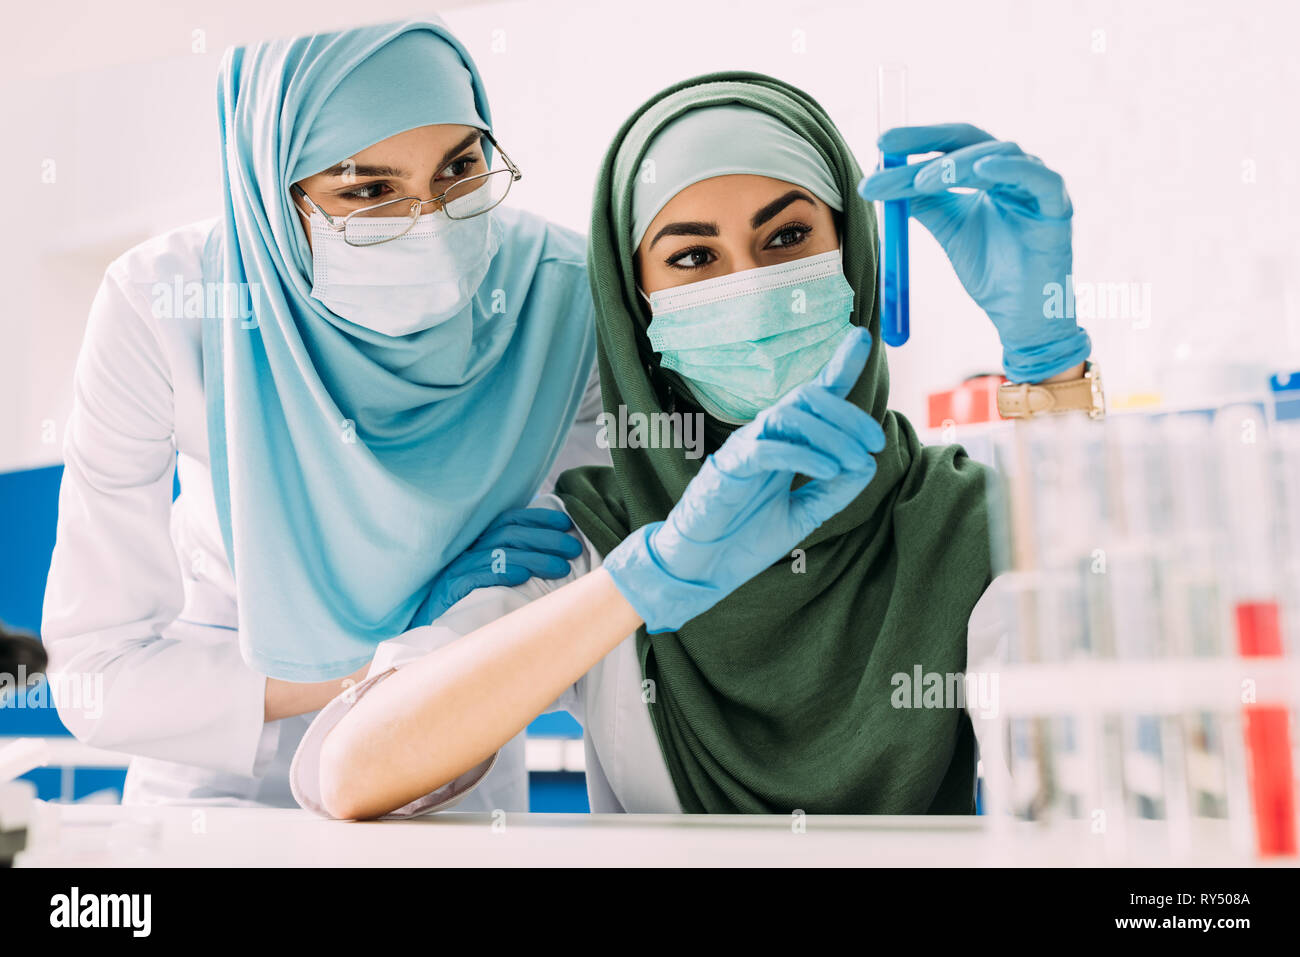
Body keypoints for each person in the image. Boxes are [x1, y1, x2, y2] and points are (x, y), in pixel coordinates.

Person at [290, 71, 1095, 820]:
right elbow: (352, 770)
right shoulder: (594, 536)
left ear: (850, 253)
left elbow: (1105, 728)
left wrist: (1051, 361)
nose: (746, 289)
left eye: (786, 239)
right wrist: (649, 577)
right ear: (635, 304)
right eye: (693, 257)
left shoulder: (959, 513)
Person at [40, 18, 606, 812]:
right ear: (275, 194)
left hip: (447, 776)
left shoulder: (566, 298)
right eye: (368, 192)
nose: (432, 225)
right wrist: (396, 660)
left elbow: (575, 584)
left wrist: (446, 659)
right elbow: (97, 680)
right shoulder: (167, 308)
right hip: (217, 791)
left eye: (460, 168)